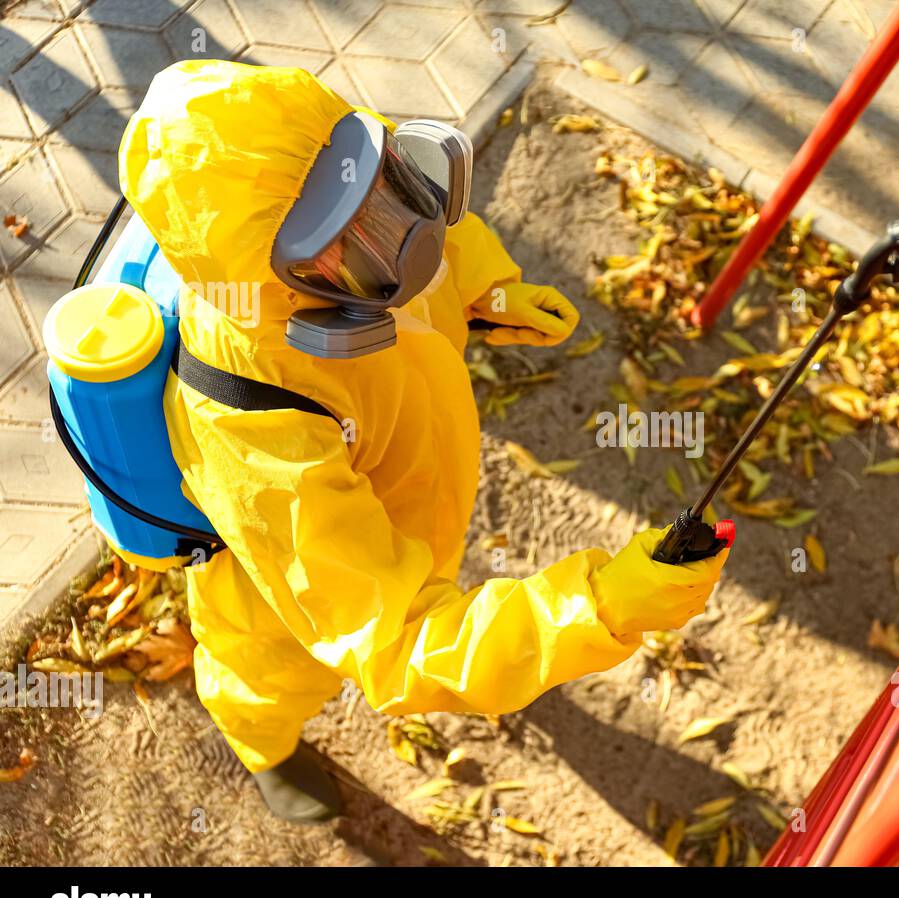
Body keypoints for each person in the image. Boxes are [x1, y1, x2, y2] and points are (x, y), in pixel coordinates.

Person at [118, 60, 729, 822]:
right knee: (274, 676)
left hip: (403, 492)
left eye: (384, 188)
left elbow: (443, 236)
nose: (397, 238)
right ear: (275, 284)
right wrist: (597, 608)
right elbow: (396, 638)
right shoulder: (250, 424)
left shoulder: (351, 228)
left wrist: (488, 287)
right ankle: (260, 743)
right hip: (288, 593)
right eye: (347, 241)